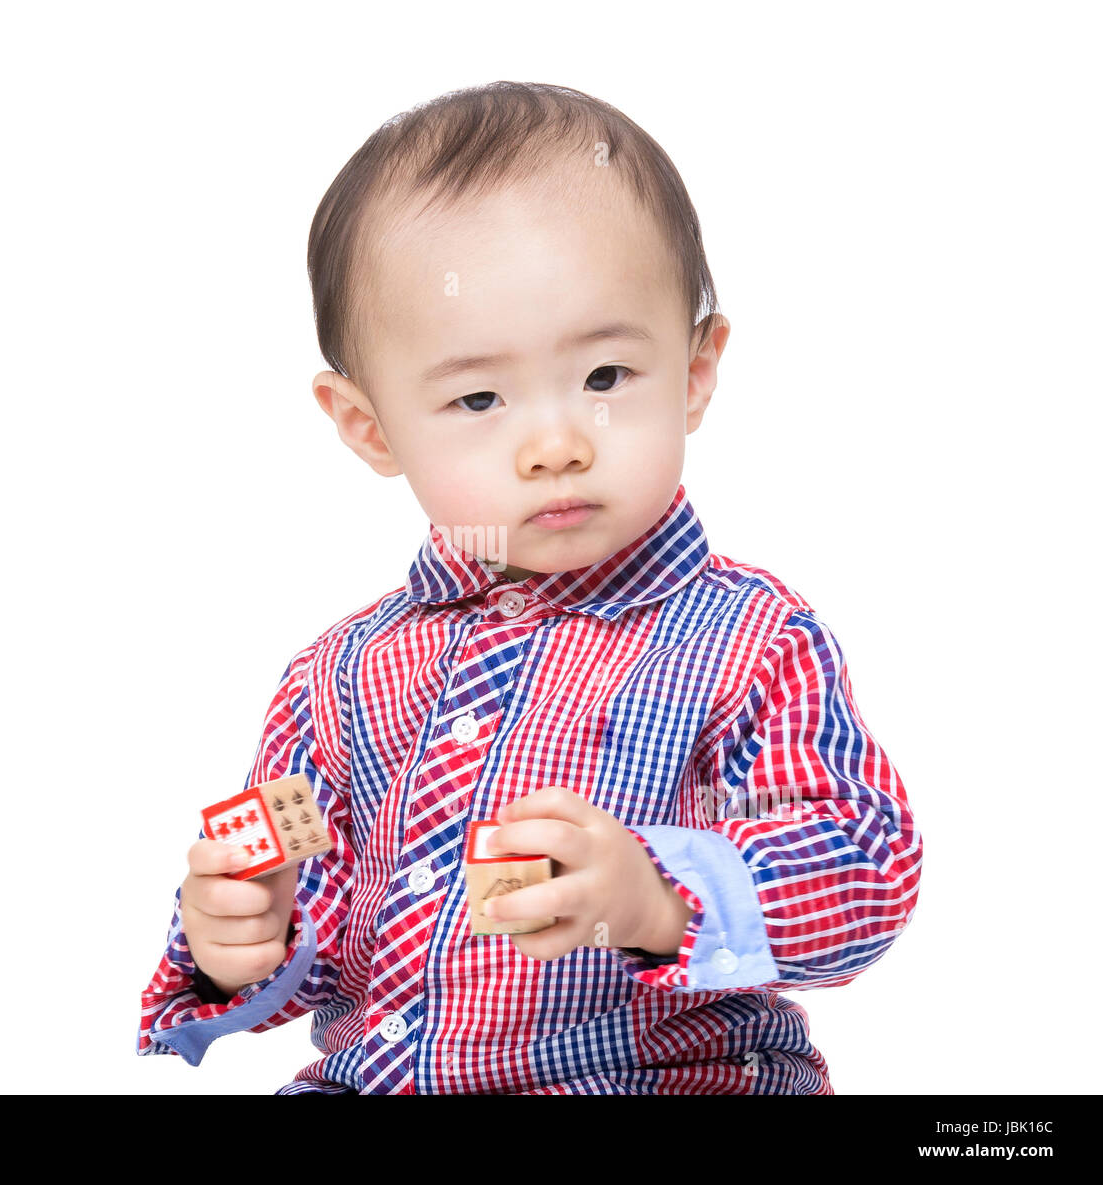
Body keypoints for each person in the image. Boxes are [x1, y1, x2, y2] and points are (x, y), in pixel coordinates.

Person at [136, 80, 922, 1094]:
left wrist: (662, 897)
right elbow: (315, 952)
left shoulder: (750, 639)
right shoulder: (334, 681)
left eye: (604, 378)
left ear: (692, 370)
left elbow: (863, 866)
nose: (554, 444)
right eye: (477, 397)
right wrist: (238, 936)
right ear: (368, 427)